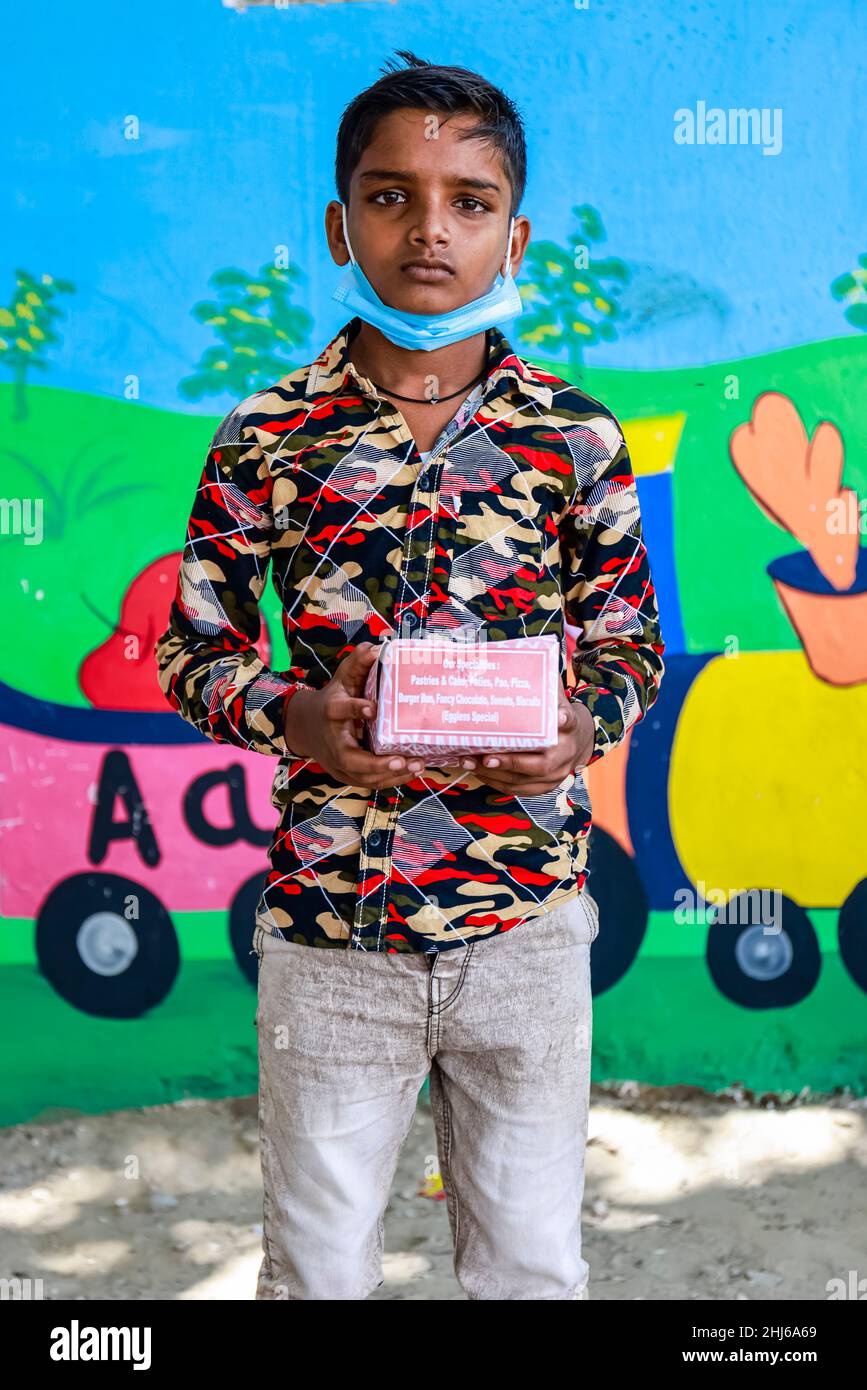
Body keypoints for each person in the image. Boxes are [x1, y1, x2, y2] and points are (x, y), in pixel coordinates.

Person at [154, 50, 665, 1300]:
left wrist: (578, 727)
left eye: (469, 201)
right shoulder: (266, 436)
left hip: (528, 926)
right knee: (318, 1272)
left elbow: (629, 644)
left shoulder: (575, 440)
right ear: (341, 224)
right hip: (333, 928)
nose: (429, 231)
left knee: (532, 1268)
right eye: (390, 196)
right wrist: (299, 720)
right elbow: (193, 650)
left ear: (516, 234)